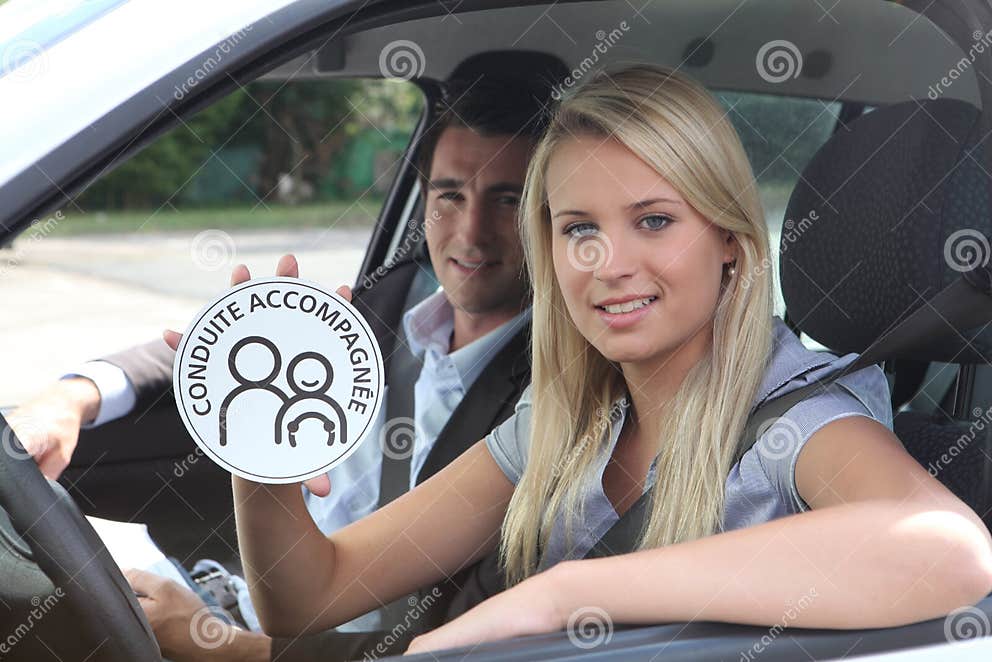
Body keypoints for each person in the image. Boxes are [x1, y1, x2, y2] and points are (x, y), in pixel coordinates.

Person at [199, 63, 992, 656]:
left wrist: (565, 595)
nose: (607, 262)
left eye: (652, 221)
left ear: (728, 239)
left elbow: (949, 550)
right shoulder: (567, 420)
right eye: (578, 228)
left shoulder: (798, 420)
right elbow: (315, 596)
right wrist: (261, 459)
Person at [10, 52, 568, 661]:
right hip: (229, 600)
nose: (469, 232)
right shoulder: (396, 294)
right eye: (449, 195)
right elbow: (229, 358)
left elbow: (454, 642)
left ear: (553, 210)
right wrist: (75, 395)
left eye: (508, 200)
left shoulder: (553, 398)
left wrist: (220, 647)